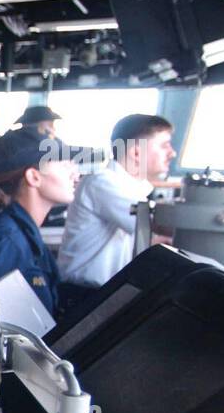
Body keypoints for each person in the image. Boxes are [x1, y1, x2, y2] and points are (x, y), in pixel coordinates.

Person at [0, 129, 79, 314]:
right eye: (64, 164)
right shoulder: (7, 239)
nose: (75, 174)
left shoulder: (24, 234)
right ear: (33, 177)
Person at [57, 114, 176, 311]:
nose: (172, 153)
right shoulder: (104, 182)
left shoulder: (134, 187)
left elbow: (140, 235)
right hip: (84, 297)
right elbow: (154, 223)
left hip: (103, 292)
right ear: (136, 152)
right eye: (164, 145)